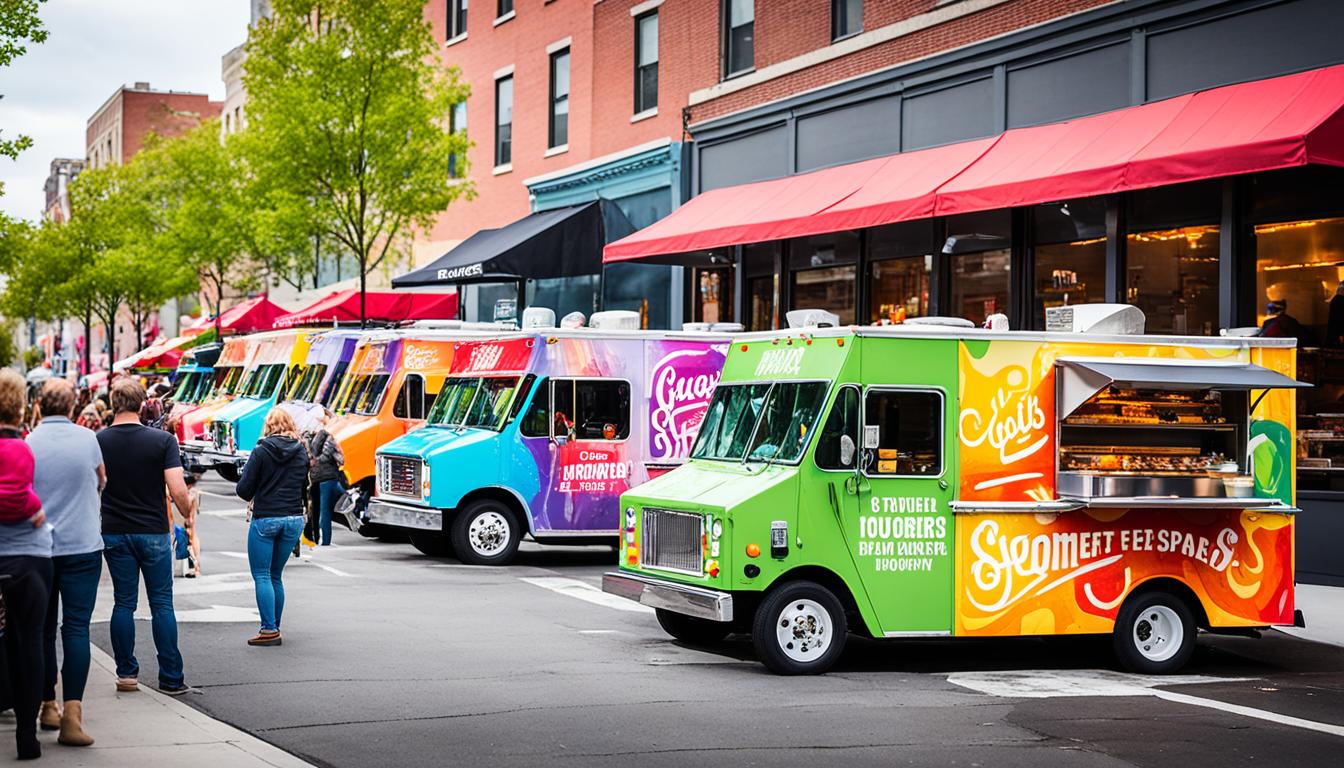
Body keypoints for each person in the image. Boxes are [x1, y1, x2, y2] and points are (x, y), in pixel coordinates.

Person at [97, 378, 193, 696]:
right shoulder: (162, 441)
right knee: (161, 604)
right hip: (152, 530)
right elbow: (178, 489)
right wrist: (187, 514)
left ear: (114, 405)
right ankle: (171, 677)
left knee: (123, 602)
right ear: (141, 404)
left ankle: (126, 673)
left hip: (113, 530)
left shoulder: (99, 441)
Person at [28, 379, 103, 747]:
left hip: (40, 549)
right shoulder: (88, 440)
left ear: (40, 406)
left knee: (43, 630)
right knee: (75, 629)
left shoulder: (29, 442)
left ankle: (47, 706)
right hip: (82, 546)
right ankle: (73, 715)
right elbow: (102, 480)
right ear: (73, 407)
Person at [0, 368, 53, 760]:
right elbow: (24, 494)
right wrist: (34, 508)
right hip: (30, 558)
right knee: (30, 644)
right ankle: (26, 736)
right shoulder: (25, 448)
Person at [235, 409, 309, 647]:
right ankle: (274, 626)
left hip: (267, 517)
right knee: (275, 575)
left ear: (268, 426)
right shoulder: (301, 451)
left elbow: (243, 490)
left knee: (262, 575)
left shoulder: (260, 451)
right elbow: (303, 486)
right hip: (294, 518)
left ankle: (269, 629)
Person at [307, 411, 344, 547]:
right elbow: (336, 459)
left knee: (315, 510)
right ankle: (326, 541)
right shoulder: (329, 438)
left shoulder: (307, 437)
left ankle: (315, 538)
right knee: (325, 512)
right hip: (328, 478)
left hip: (314, 478)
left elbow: (310, 456)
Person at [1326, 281, 1344, 348]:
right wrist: (1341, 334)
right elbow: (1339, 319)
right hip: (1337, 337)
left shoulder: (1337, 300)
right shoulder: (1339, 300)